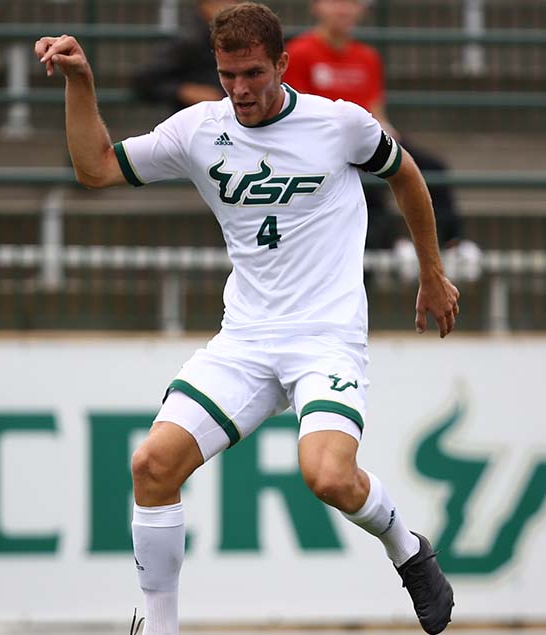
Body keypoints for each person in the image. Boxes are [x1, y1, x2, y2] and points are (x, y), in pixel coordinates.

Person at [35, 4, 458, 634]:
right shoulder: (199, 129)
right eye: (228, 74)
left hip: (325, 339)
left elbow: (408, 177)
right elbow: (95, 167)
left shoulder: (338, 125)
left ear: (284, 64)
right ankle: (160, 627)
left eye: (253, 73)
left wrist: (432, 272)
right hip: (247, 340)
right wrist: (81, 83)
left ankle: (407, 548)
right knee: (152, 465)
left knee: (327, 476)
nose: (240, 89)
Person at [284, 0, 481, 282]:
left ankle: (452, 245)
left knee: (431, 167)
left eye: (351, 3)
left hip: (368, 139)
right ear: (316, 7)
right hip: (327, 146)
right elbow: (300, 113)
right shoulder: (300, 52)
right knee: (365, 186)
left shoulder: (367, 57)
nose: (343, 10)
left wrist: (393, 139)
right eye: (335, 2)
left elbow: (377, 111)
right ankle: (391, 246)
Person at [131, 0, 236, 113]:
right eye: (218, 2)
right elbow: (146, 80)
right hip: (199, 119)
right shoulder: (190, 41)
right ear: (203, 7)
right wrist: (184, 91)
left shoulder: (243, 39)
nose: (227, 7)